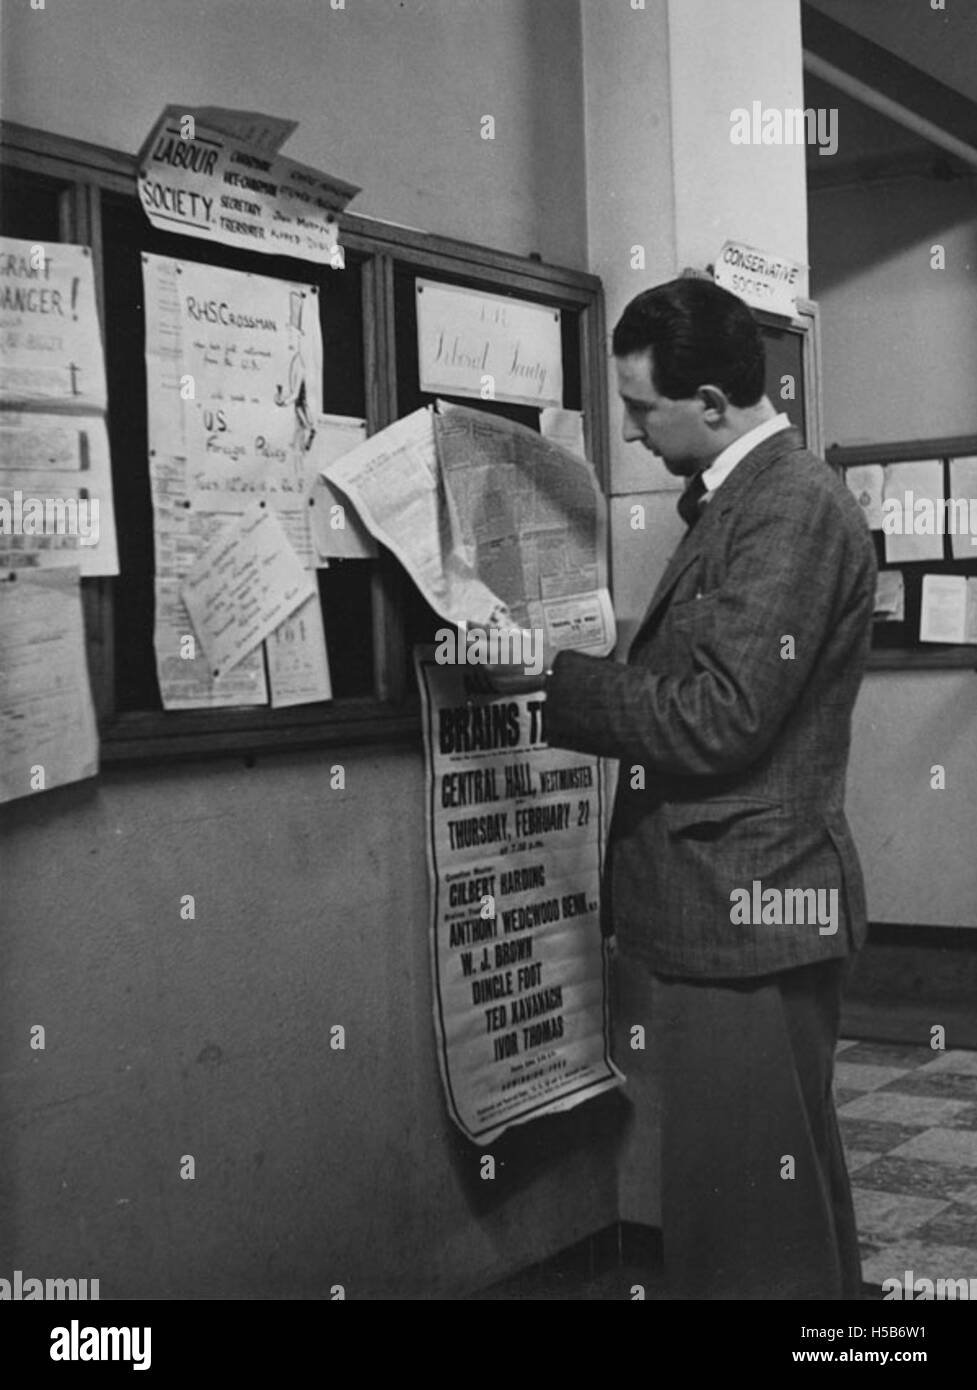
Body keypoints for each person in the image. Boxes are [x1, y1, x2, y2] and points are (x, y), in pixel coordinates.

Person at [479, 277, 877, 1299]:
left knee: (746, 1226)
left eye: (641, 407)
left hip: (747, 906)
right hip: (743, 902)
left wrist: (548, 675)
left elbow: (720, 716)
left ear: (709, 400)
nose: (630, 430)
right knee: (779, 1198)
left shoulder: (785, 503)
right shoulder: (749, 499)